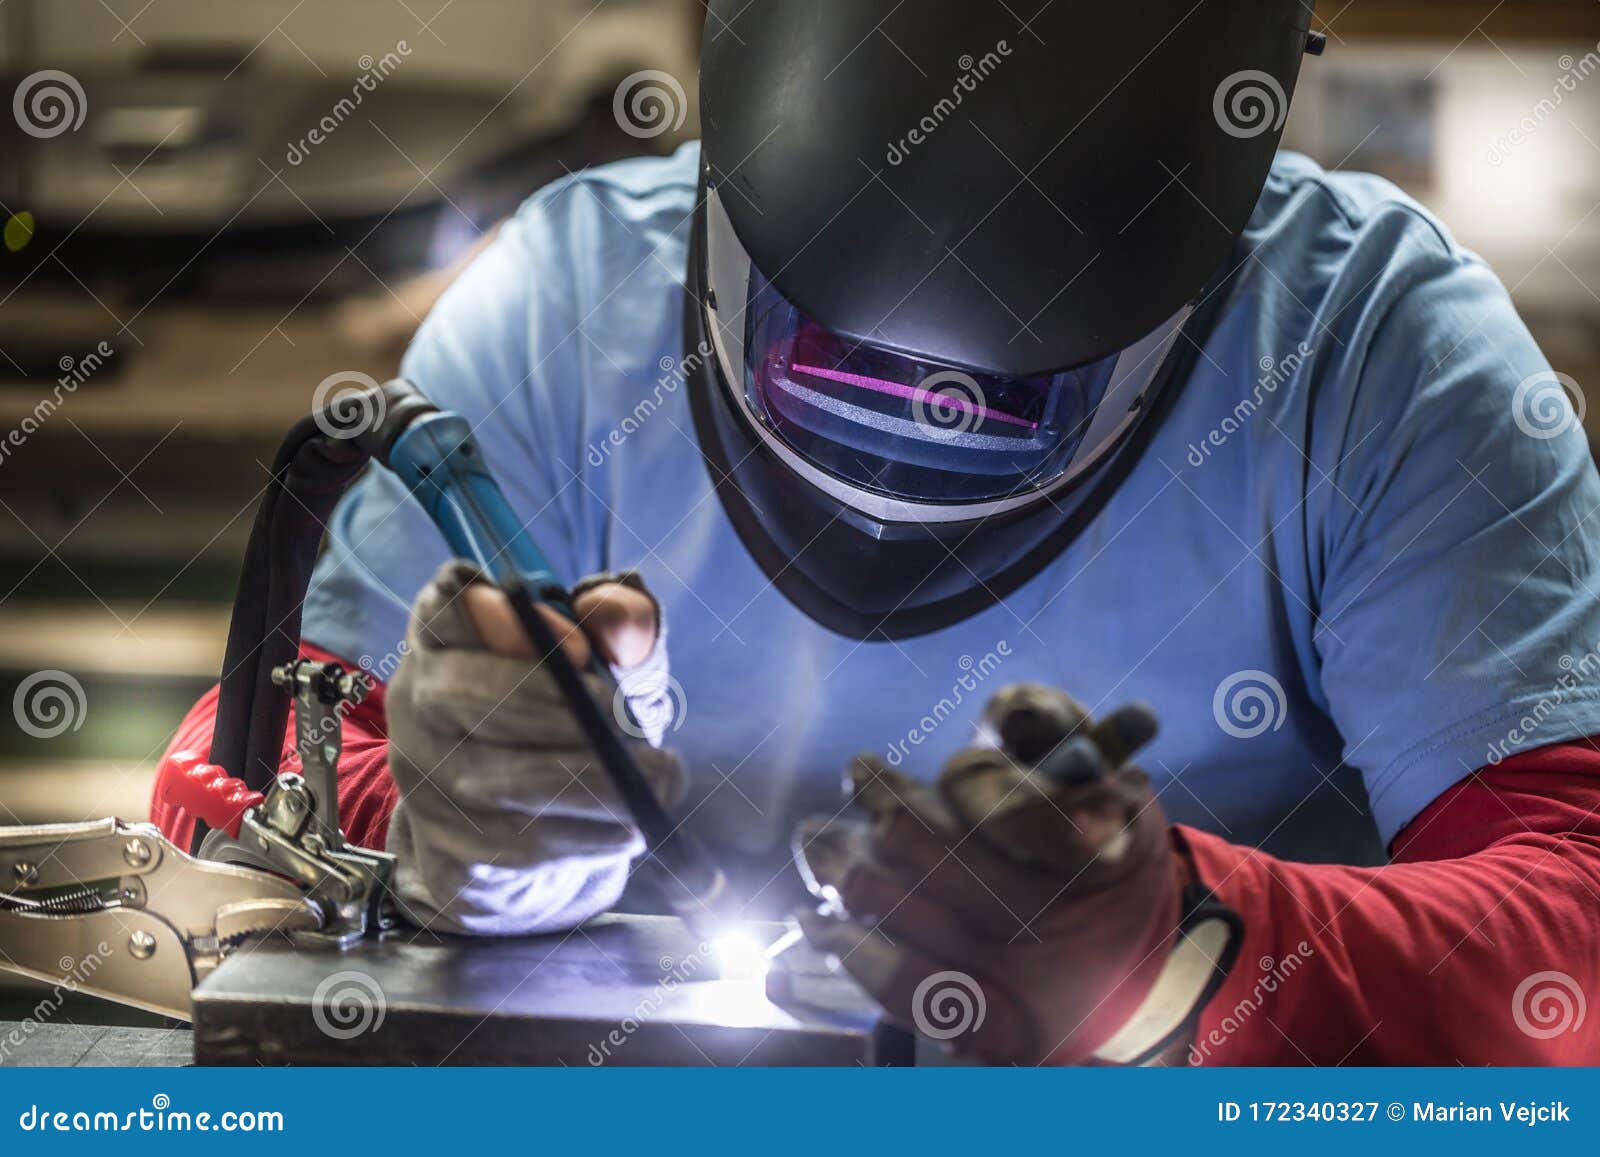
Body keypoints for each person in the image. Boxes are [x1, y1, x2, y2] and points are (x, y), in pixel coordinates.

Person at [155, 1, 1600, 1065]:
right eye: (834, 345)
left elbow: (1575, 930)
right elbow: (219, 785)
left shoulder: (1381, 355)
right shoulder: (564, 307)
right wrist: (433, 824)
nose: (919, 419)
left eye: (1014, 386)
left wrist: (1190, 948)